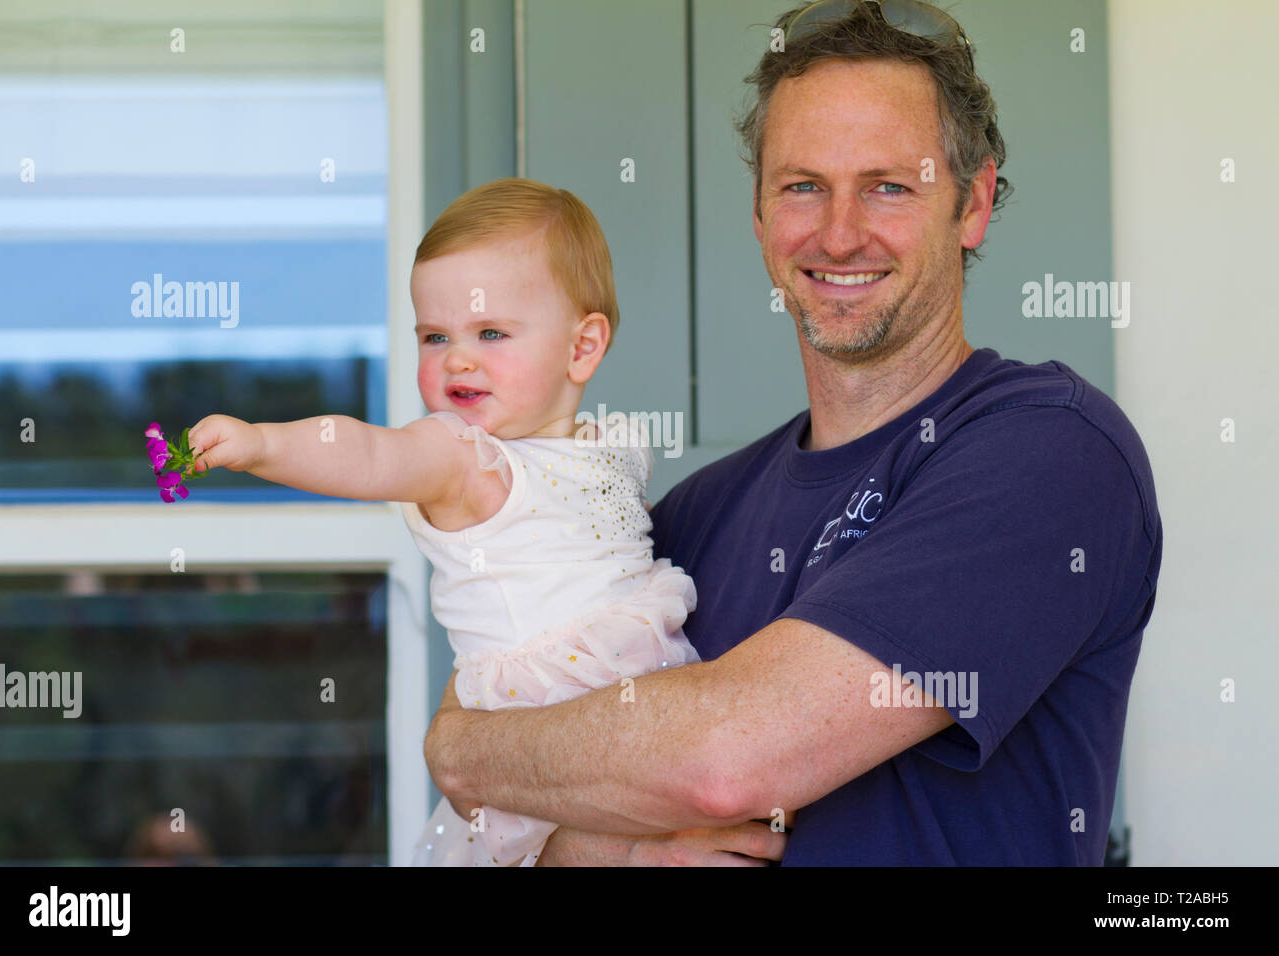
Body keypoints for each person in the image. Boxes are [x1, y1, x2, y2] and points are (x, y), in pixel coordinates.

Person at [423, 0, 1163, 865]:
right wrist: (610, 851)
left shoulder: (1051, 453)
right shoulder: (696, 514)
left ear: (974, 203)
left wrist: (459, 754)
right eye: (803, 185)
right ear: (760, 213)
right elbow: (509, 686)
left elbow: (725, 760)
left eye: (889, 185)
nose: (839, 232)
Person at [187, 178, 703, 866]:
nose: (457, 358)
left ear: (582, 348)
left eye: (490, 332)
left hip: (637, 700)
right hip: (537, 726)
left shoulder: (605, 448)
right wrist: (263, 444)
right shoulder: (463, 459)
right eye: (435, 337)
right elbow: (367, 452)